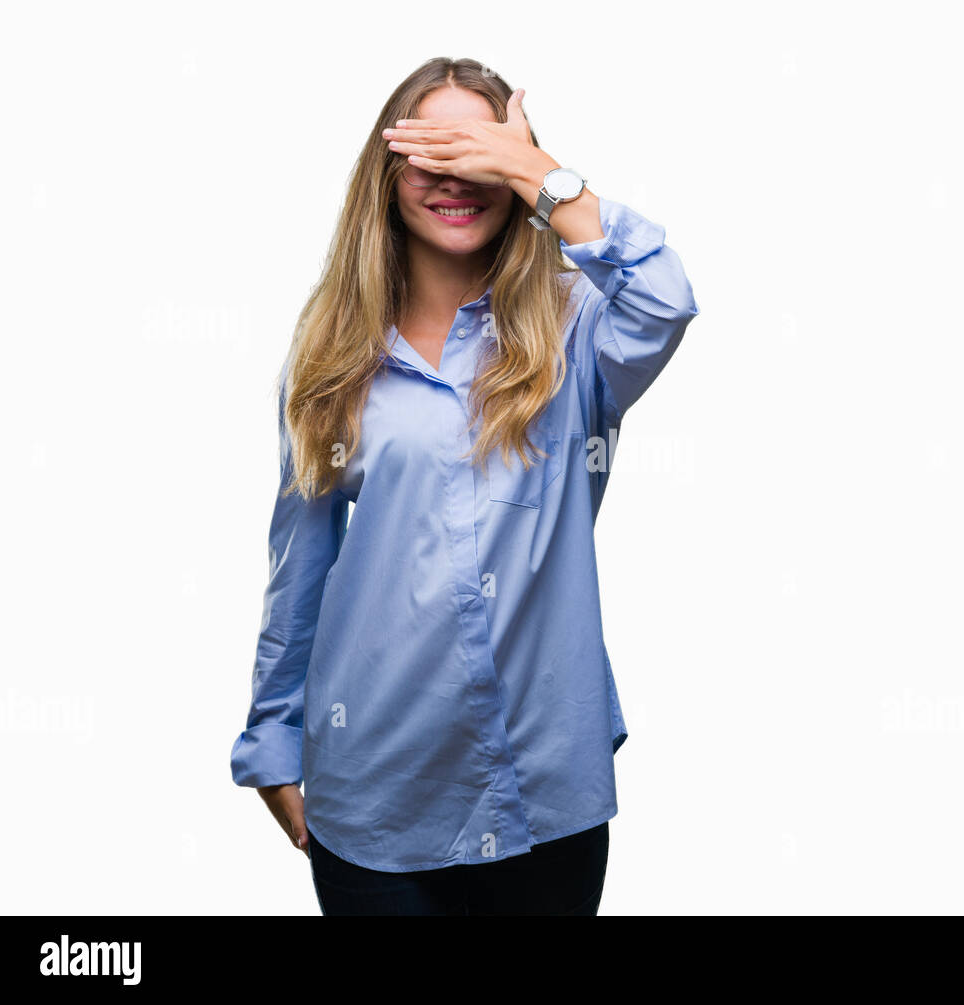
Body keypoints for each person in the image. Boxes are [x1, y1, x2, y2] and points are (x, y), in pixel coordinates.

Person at [228, 57, 699, 916]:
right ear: (386, 172)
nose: (455, 176)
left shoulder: (578, 328)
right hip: (374, 786)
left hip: (543, 789)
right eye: (430, 149)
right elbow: (301, 560)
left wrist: (535, 172)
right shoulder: (334, 354)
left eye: (477, 149)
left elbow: (665, 298)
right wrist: (272, 739)